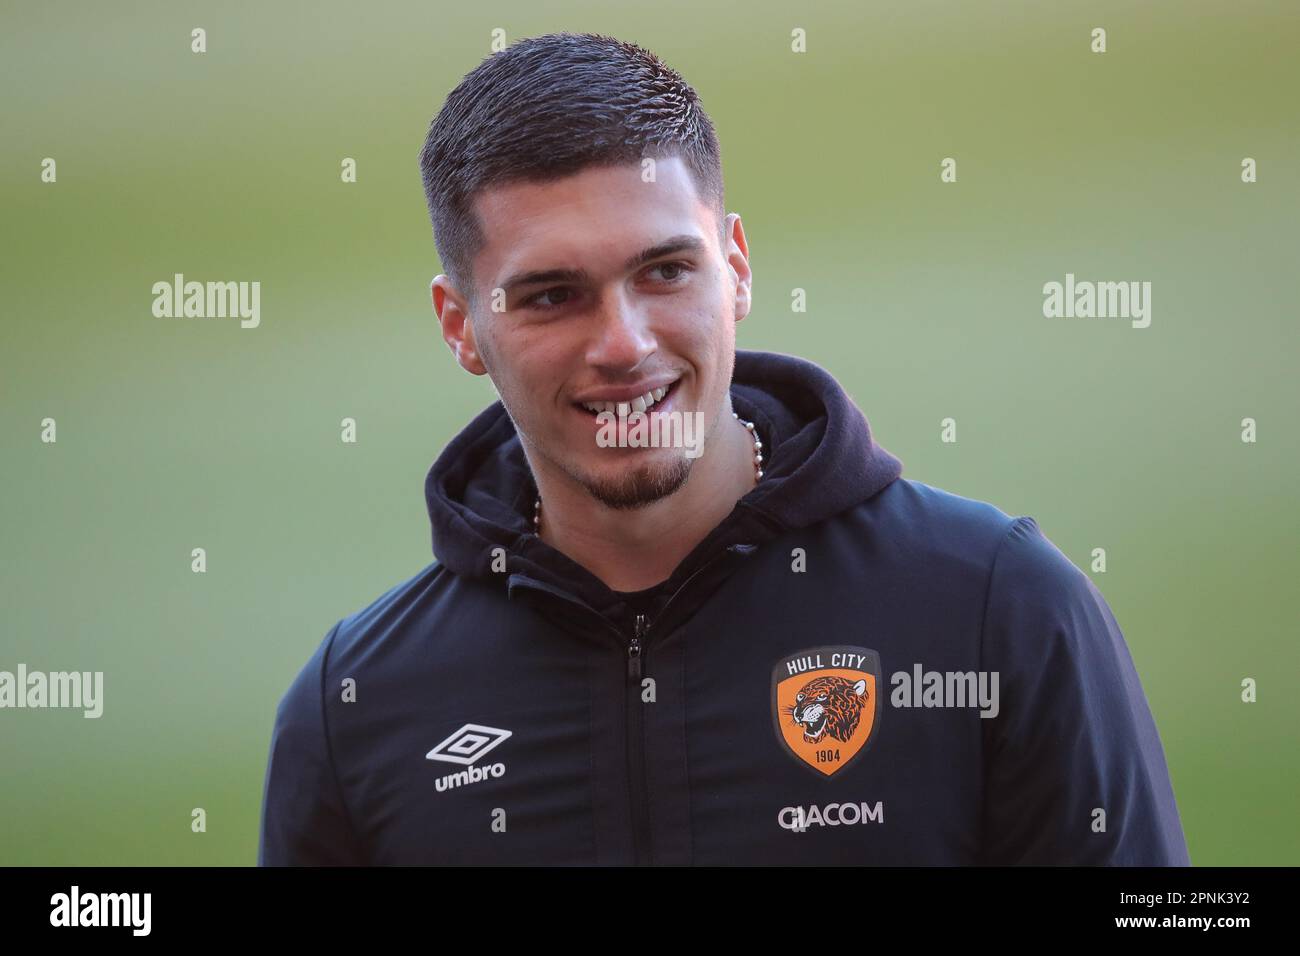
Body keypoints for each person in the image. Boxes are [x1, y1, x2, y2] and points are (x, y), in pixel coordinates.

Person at [258, 32, 1190, 865]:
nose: (623, 344)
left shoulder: (1000, 608)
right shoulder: (358, 708)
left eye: (665, 271)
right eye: (551, 295)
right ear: (462, 325)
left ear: (735, 268)